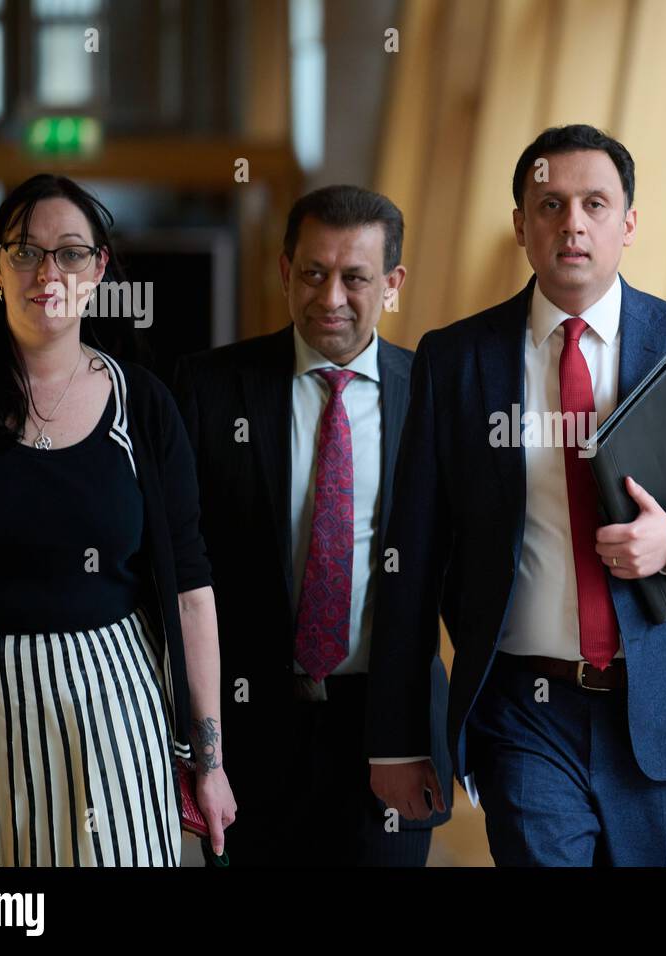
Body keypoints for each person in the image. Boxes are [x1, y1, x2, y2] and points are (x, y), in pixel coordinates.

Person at [366, 124, 666, 866]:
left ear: (628, 224)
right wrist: (398, 736)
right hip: (522, 712)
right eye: (549, 204)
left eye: (594, 204)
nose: (571, 223)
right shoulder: (457, 359)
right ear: (520, 225)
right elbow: (410, 556)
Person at [0, 174, 236, 866]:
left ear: (99, 268)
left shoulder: (144, 406)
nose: (48, 272)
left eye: (71, 253)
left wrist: (210, 759)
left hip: (107, 709)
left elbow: (192, 594)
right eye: (25, 252)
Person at [173, 185, 452, 866]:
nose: (330, 298)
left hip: (389, 728)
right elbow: (178, 566)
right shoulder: (208, 390)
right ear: (283, 271)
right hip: (248, 733)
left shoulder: (437, 398)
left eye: (354, 278)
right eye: (312, 274)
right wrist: (195, 744)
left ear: (393, 283)